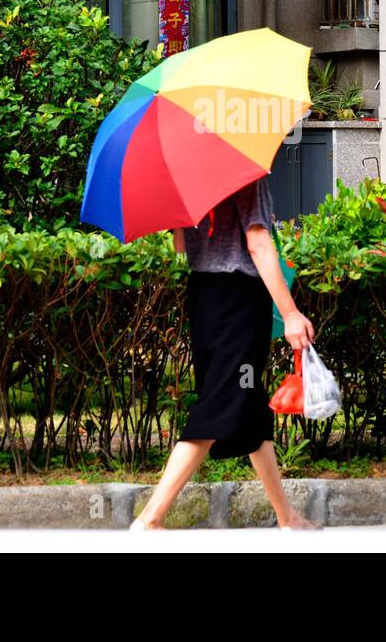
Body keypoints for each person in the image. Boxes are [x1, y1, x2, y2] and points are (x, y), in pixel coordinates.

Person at [130, 175, 320, 531]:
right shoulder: (246, 173)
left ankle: (287, 517)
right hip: (240, 305)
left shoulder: (189, 176)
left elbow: (181, 246)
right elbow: (259, 244)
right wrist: (291, 314)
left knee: (246, 402)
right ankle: (151, 517)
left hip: (205, 300)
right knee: (221, 403)